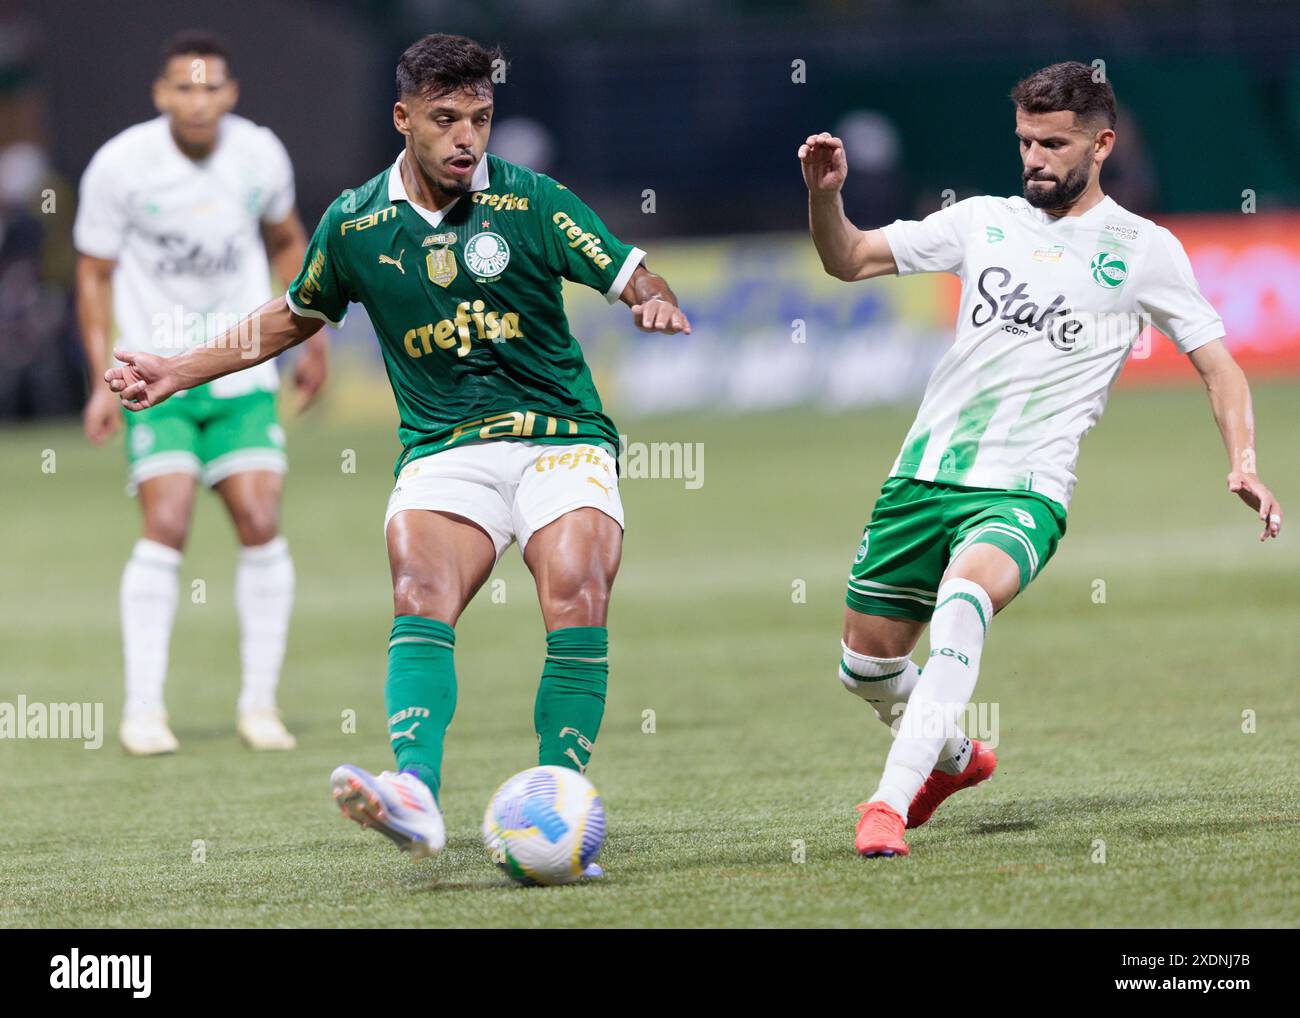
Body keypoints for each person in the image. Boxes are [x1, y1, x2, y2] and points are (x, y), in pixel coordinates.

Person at [103, 33, 690, 865]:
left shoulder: (535, 203)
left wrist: (651, 301)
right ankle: (415, 794)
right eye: (446, 119)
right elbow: (290, 316)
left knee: (576, 589)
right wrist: (177, 369)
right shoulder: (355, 222)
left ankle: (557, 796)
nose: (466, 140)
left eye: (481, 119)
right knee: (419, 588)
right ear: (402, 116)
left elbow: (636, 272)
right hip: (444, 449)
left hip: (560, 439)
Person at [798, 61, 1284, 858]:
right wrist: (825, 196)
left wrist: (1244, 459)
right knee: (864, 665)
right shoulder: (981, 221)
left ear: (1101, 144)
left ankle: (887, 803)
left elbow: (1219, 364)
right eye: (1025, 140)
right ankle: (953, 760)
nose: (1035, 158)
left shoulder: (1143, 249)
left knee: (963, 601)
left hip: (1025, 490)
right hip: (923, 475)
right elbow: (847, 258)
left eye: (1053, 143)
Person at [75, 30, 328, 755]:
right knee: (170, 518)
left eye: (210, 86)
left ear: (230, 92)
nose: (198, 99)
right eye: (183, 88)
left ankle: (259, 707)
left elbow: (287, 242)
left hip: (243, 368)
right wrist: (101, 377)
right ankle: (144, 711)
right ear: (161, 95)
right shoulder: (121, 166)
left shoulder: (259, 154)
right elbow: (93, 275)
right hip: (157, 375)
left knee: (259, 516)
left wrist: (312, 340)